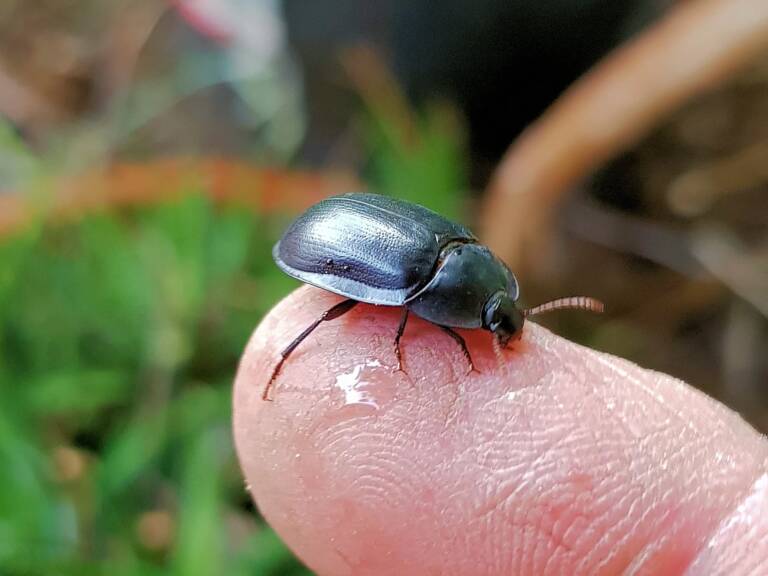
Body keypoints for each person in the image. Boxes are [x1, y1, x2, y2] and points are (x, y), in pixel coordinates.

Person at [234, 287, 768, 575]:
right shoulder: (428, 287)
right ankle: (288, 359)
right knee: (335, 318)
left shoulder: (455, 284)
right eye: (496, 323)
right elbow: (410, 308)